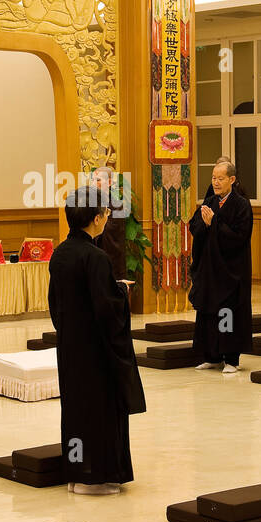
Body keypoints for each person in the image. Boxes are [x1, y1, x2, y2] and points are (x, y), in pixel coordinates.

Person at [49, 186, 146, 495]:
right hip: (96, 352)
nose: (107, 217)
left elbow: (59, 301)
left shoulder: (61, 253)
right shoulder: (96, 257)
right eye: (105, 212)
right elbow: (107, 310)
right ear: (94, 218)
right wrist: (122, 292)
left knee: (76, 410)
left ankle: (77, 473)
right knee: (100, 411)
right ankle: (96, 477)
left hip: (71, 347)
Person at [188, 160, 253, 373]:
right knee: (208, 313)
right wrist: (206, 224)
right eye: (213, 178)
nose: (215, 182)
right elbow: (194, 226)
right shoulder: (209, 202)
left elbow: (239, 237)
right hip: (210, 272)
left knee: (227, 314)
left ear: (232, 180)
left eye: (220, 178)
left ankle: (231, 358)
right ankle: (211, 355)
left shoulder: (242, 205)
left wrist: (214, 223)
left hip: (230, 272)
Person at [91, 166, 133, 290]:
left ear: (109, 182)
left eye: (98, 180)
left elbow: (112, 235)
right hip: (91, 261)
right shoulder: (87, 205)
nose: (94, 184)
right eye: (93, 180)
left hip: (111, 260)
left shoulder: (116, 206)